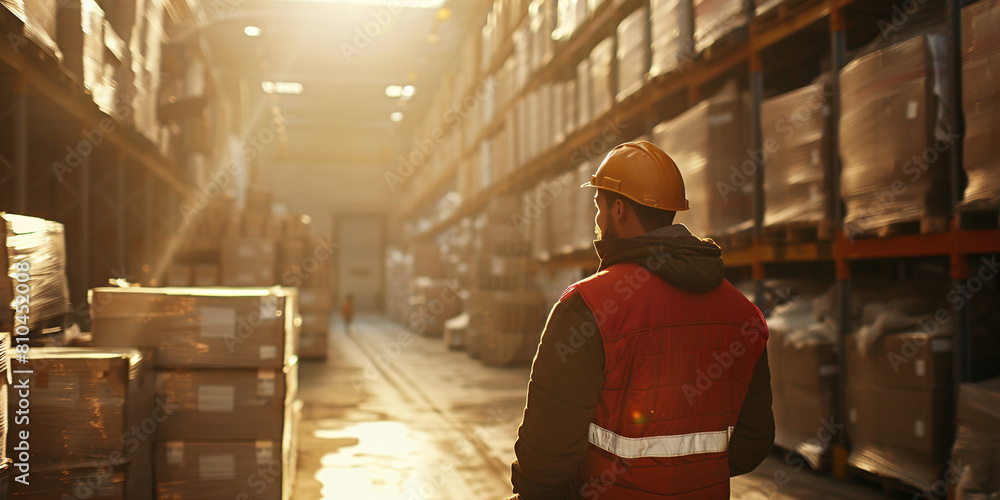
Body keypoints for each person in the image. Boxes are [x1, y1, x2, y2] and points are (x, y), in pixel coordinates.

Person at [508, 141, 774, 499]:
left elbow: (546, 456)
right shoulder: (743, 314)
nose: (598, 221)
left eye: (598, 208)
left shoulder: (587, 308)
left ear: (618, 209)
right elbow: (752, 443)